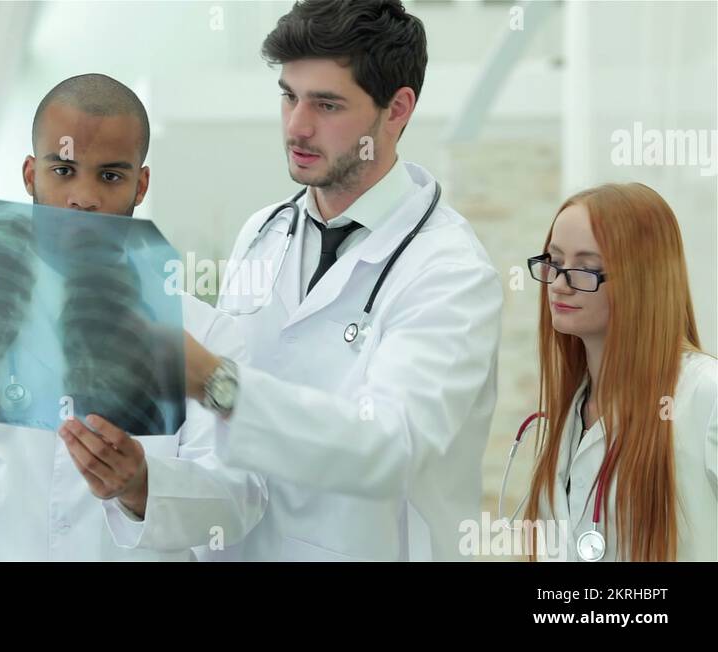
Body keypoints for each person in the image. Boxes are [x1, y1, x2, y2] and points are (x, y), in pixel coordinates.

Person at [0, 74, 266, 560]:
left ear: (141, 183)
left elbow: (243, 499)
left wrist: (144, 486)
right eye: (63, 171)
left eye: (110, 176)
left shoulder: (203, 334)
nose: (83, 198)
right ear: (30, 174)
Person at [181, 0, 503, 560]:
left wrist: (216, 382)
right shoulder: (263, 231)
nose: (297, 126)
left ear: (397, 109)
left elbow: (389, 445)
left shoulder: (450, 271)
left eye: (327, 104)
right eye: (288, 95)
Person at [523, 182, 716, 561]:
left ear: (642, 280)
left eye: (586, 269)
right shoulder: (571, 413)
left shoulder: (704, 395)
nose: (560, 285)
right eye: (554, 261)